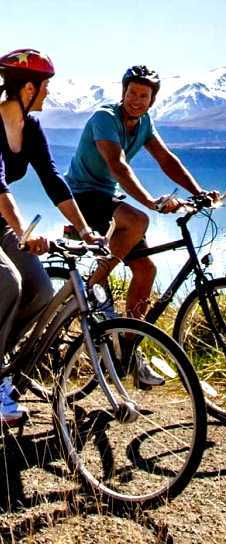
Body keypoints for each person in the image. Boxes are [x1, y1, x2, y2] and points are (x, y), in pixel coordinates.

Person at [66, 65, 219, 325]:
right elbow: (118, 165)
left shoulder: (145, 123)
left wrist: (199, 192)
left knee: (146, 270)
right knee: (138, 219)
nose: (137, 101)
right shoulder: (105, 118)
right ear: (123, 92)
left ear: (152, 100)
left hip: (107, 197)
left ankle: (128, 343)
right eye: (132, 93)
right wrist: (150, 201)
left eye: (143, 96)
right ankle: (94, 283)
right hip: (81, 194)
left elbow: (167, 160)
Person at [0, 48, 104, 424]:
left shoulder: (32, 129)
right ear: (28, 88)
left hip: (1, 221)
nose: (48, 94)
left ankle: (2, 367)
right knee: (8, 281)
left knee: (41, 289)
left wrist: (86, 230)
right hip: (3, 215)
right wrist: (23, 233)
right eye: (45, 87)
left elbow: (53, 180)